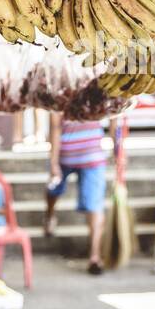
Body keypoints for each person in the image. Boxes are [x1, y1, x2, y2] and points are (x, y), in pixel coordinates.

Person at [44, 113, 108, 275]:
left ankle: (94, 256)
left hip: (92, 156)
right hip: (64, 156)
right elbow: (55, 126)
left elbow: (115, 118)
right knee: (53, 191)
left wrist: (118, 146)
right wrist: (53, 162)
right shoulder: (60, 99)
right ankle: (50, 216)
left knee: (94, 205)